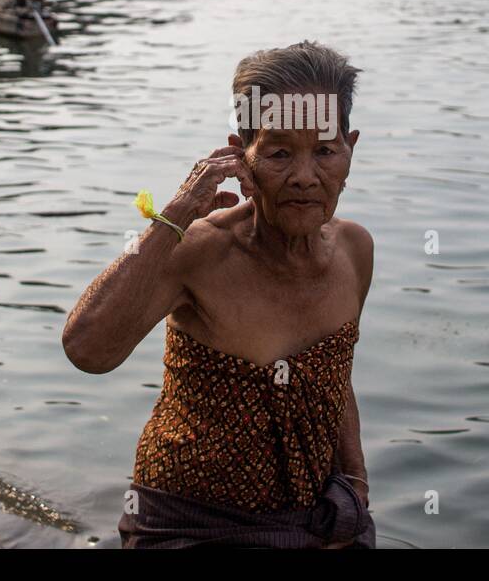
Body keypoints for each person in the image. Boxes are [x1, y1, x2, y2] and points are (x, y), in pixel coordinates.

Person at [63, 41, 376, 549]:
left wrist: (356, 489)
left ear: (350, 148)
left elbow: (335, 377)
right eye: (277, 152)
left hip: (314, 518)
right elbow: (88, 351)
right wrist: (181, 209)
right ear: (241, 155)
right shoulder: (199, 250)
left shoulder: (354, 251)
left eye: (324, 150)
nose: (304, 176)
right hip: (187, 524)